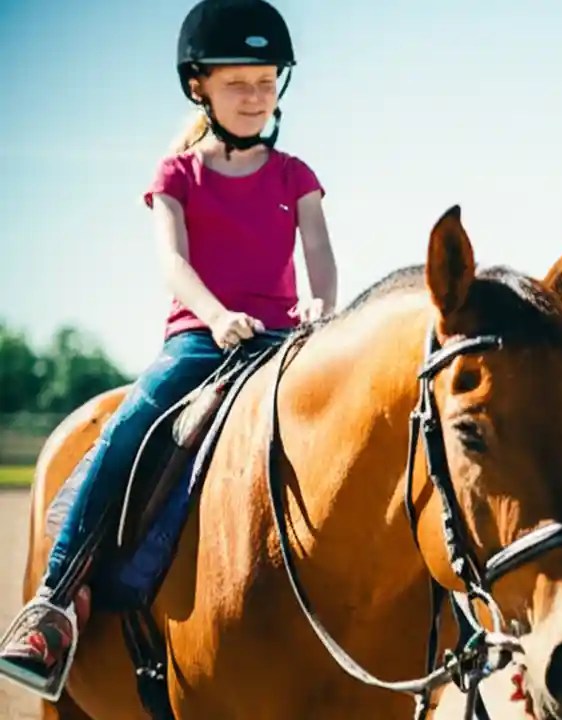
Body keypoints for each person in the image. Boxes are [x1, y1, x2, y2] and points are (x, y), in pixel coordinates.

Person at [0, 0, 337, 701]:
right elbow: (174, 263)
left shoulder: (296, 174)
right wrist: (215, 317)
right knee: (130, 427)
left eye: (266, 82)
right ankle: (54, 601)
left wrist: (321, 304)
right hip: (200, 341)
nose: (255, 96)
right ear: (198, 87)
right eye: (237, 83)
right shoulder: (177, 174)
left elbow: (319, 253)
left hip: (283, 341)